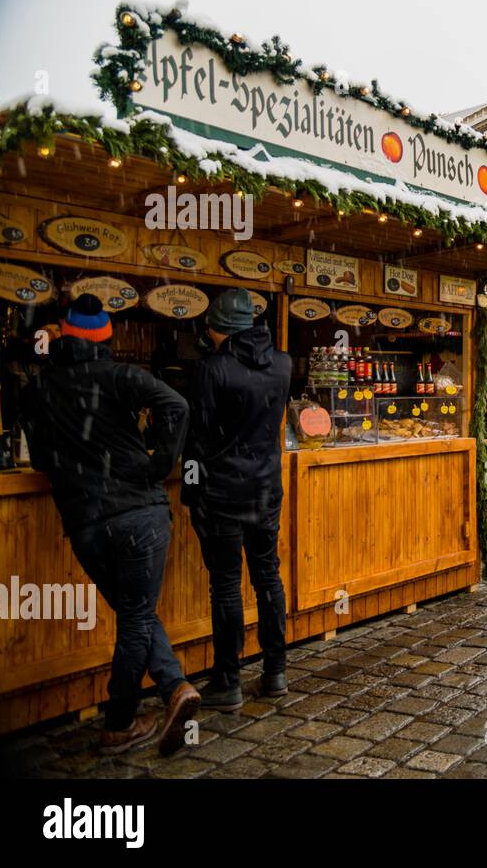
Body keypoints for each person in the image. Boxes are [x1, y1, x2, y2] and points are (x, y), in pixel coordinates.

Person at [22, 294, 200, 756]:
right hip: (141, 514)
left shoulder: (40, 388)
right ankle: (121, 720)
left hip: (85, 521)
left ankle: (173, 687)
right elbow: (177, 405)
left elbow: (41, 458)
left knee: (134, 613)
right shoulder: (120, 376)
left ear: (64, 334)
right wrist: (159, 460)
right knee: (137, 615)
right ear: (105, 337)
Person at [182, 289, 292, 709]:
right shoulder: (281, 364)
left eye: (209, 326)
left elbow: (199, 439)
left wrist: (190, 492)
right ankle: (275, 671)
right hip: (266, 490)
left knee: (225, 586)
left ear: (220, 328)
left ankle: (227, 681)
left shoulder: (212, 369)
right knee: (268, 577)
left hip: (222, 493)